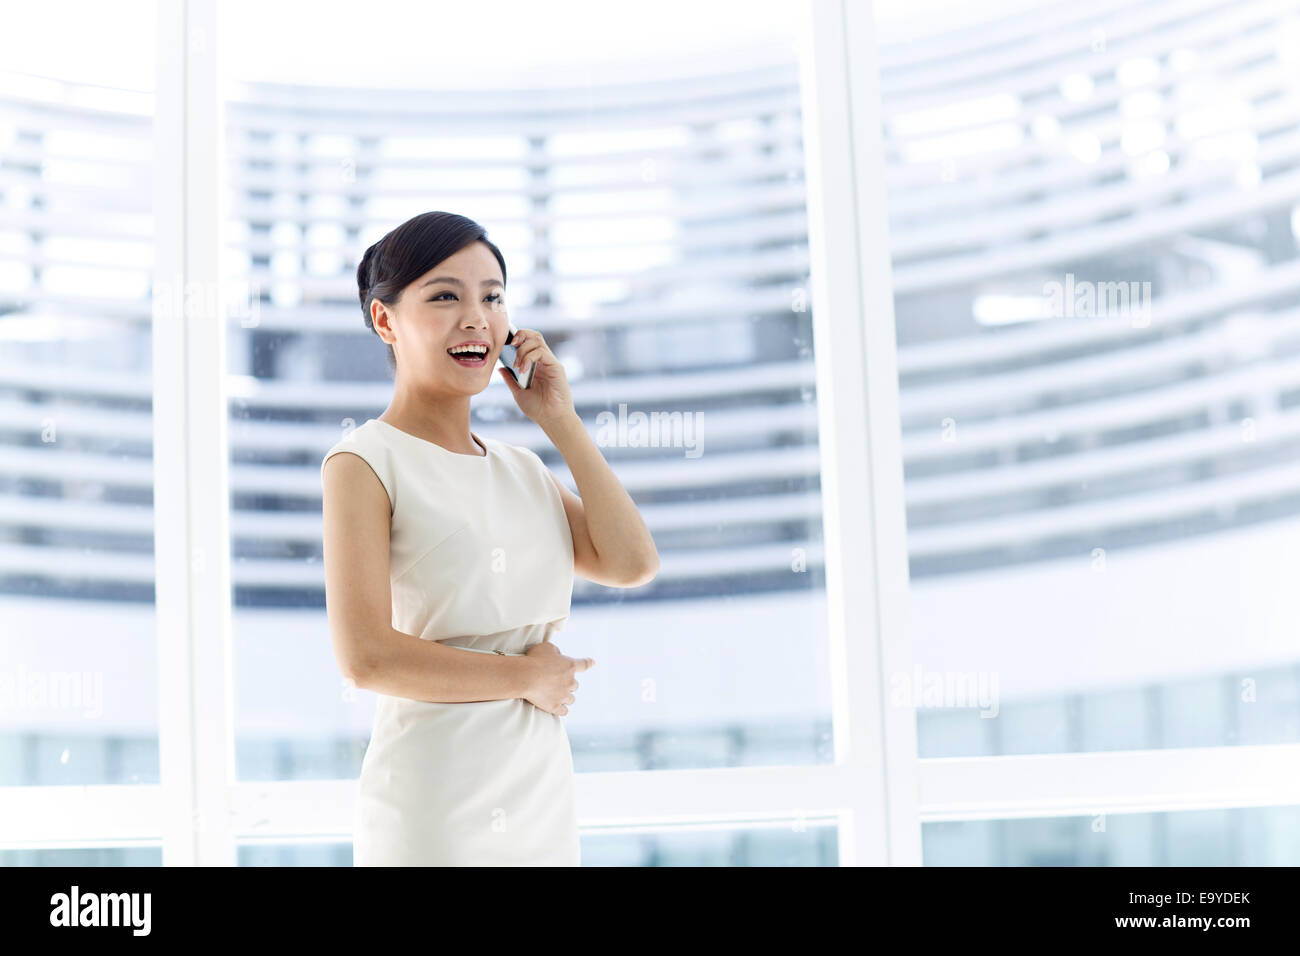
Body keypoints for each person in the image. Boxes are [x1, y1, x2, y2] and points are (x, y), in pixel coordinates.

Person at [320, 211, 660, 865]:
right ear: (386, 320)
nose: (476, 317)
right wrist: (524, 678)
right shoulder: (364, 461)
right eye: (445, 295)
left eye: (493, 296)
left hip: (539, 797)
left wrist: (560, 422)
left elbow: (631, 562)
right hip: (434, 807)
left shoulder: (521, 469)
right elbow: (366, 658)